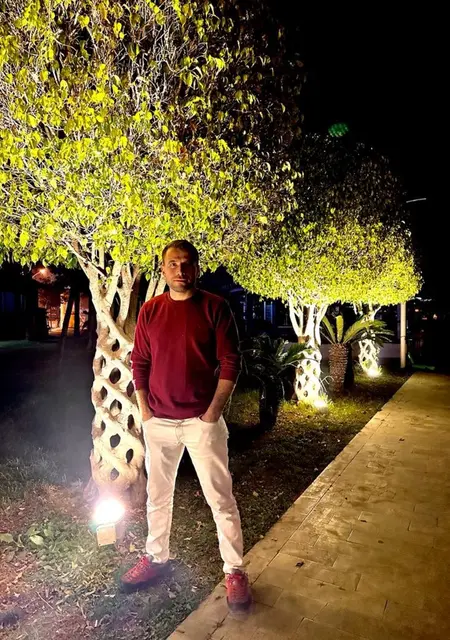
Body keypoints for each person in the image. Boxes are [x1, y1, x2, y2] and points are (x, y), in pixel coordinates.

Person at [120, 239, 252, 616]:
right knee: (158, 496)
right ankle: (156, 557)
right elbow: (140, 362)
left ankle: (235, 571)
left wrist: (211, 414)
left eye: (187, 263)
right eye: (173, 264)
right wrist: (145, 411)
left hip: (201, 423)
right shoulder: (151, 310)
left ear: (197, 267)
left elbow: (230, 362)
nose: (180, 270)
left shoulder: (215, 307)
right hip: (158, 422)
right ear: (163, 269)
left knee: (220, 498)